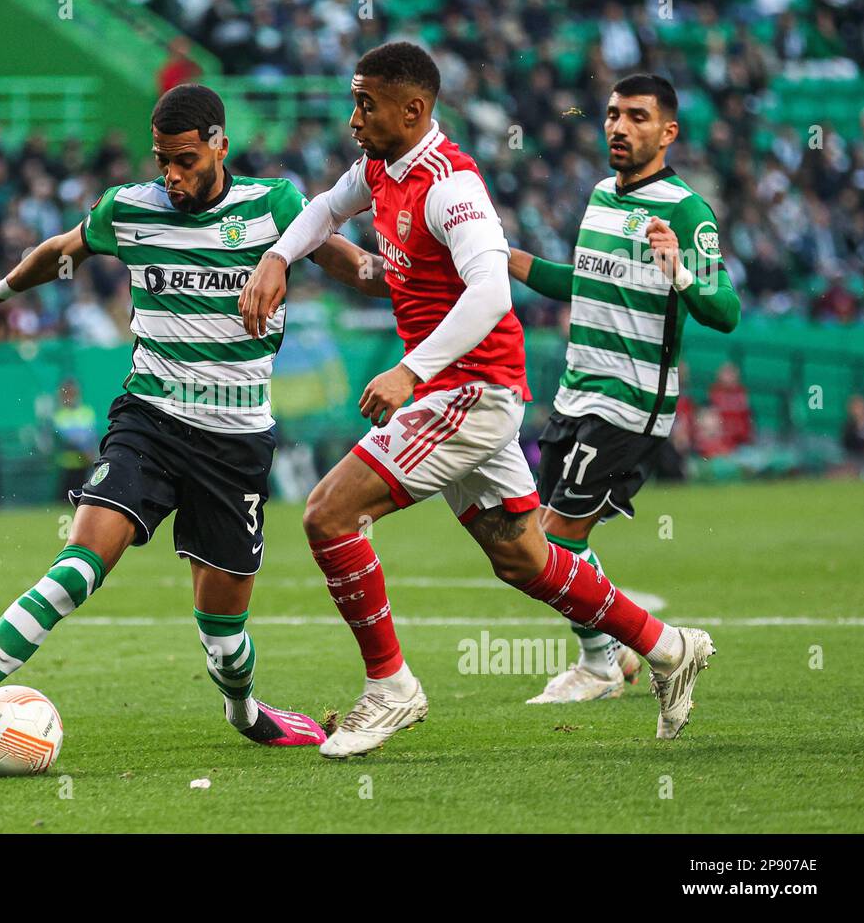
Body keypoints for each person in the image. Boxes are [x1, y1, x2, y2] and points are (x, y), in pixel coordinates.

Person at [0, 84, 387, 769]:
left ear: (218, 144)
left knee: (224, 634)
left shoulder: (274, 207)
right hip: (150, 419)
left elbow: (354, 266)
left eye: (184, 161)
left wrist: (427, 277)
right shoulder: (131, 209)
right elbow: (63, 249)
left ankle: (247, 712)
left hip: (235, 443)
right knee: (77, 566)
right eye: (161, 161)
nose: (170, 176)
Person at [241, 44, 717, 757]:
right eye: (354, 99)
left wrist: (410, 370)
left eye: (366, 104)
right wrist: (278, 255)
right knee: (524, 558)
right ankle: (669, 647)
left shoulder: (452, 186)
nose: (352, 117)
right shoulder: (380, 165)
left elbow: (491, 293)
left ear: (414, 110)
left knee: (328, 514)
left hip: (471, 389)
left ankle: (391, 688)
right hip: (459, 391)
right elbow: (324, 208)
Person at [508, 73, 740, 703]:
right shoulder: (601, 197)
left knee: (552, 539)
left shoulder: (686, 209)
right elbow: (581, 282)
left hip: (629, 402)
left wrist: (681, 272)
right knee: (553, 536)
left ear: (667, 132)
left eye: (637, 116)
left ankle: (611, 660)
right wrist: (502, 257)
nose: (618, 126)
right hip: (575, 395)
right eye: (612, 114)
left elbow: (725, 309)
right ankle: (617, 657)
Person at [50, 378, 97, 500]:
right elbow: (65, 439)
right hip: (65, 466)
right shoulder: (58, 414)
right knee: (64, 501)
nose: (70, 397)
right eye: (67, 393)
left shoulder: (86, 411)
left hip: (84, 465)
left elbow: (92, 436)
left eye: (72, 393)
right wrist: (84, 448)